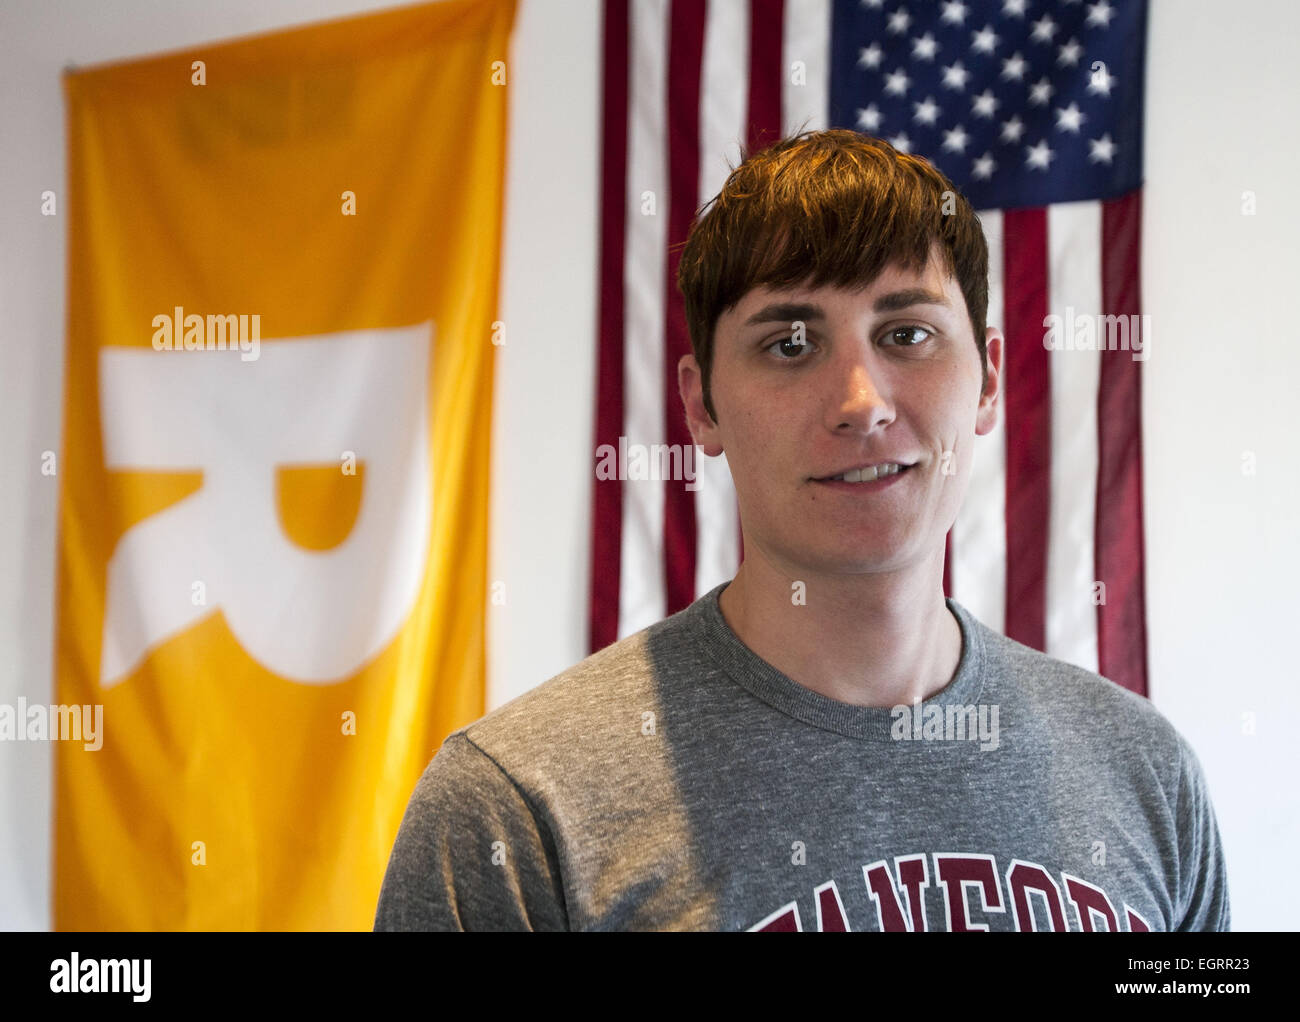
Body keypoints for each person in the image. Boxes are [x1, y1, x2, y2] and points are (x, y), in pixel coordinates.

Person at [373, 129, 1229, 932]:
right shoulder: (515, 806)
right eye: (789, 343)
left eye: (907, 334)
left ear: (990, 380)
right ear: (700, 403)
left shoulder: (1146, 775)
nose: (862, 402)